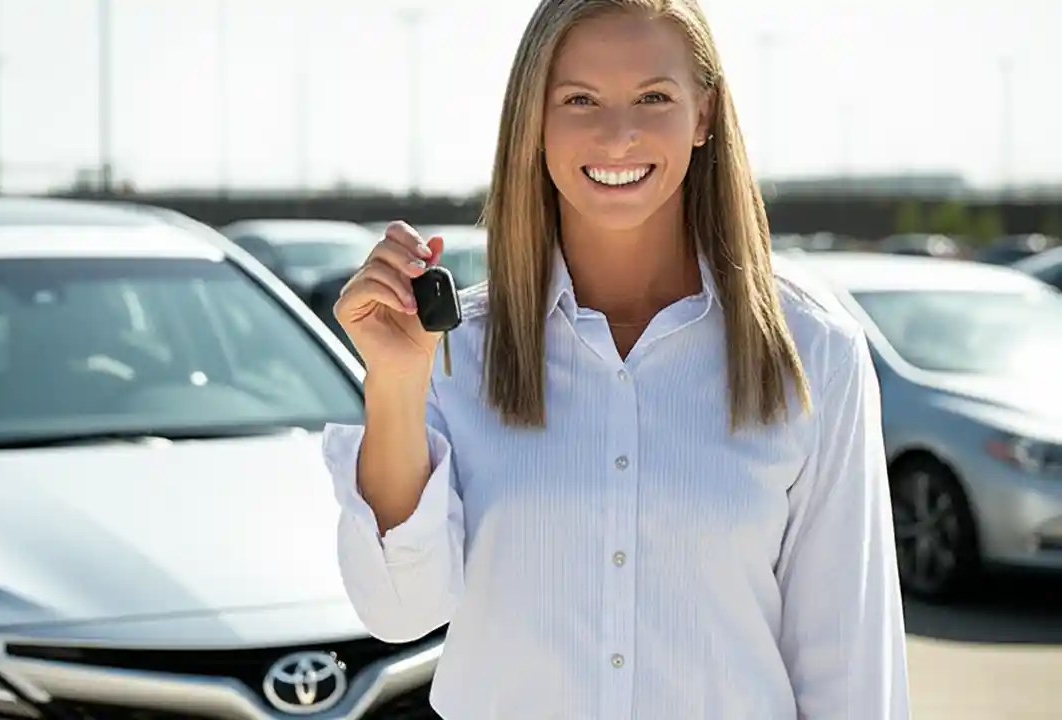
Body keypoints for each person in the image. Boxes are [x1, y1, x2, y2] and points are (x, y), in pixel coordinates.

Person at [323, 1, 910, 718]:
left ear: (705, 115)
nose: (618, 133)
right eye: (579, 100)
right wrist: (395, 382)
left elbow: (851, 670)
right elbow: (398, 611)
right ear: (533, 119)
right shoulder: (453, 350)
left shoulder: (816, 355)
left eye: (654, 97)